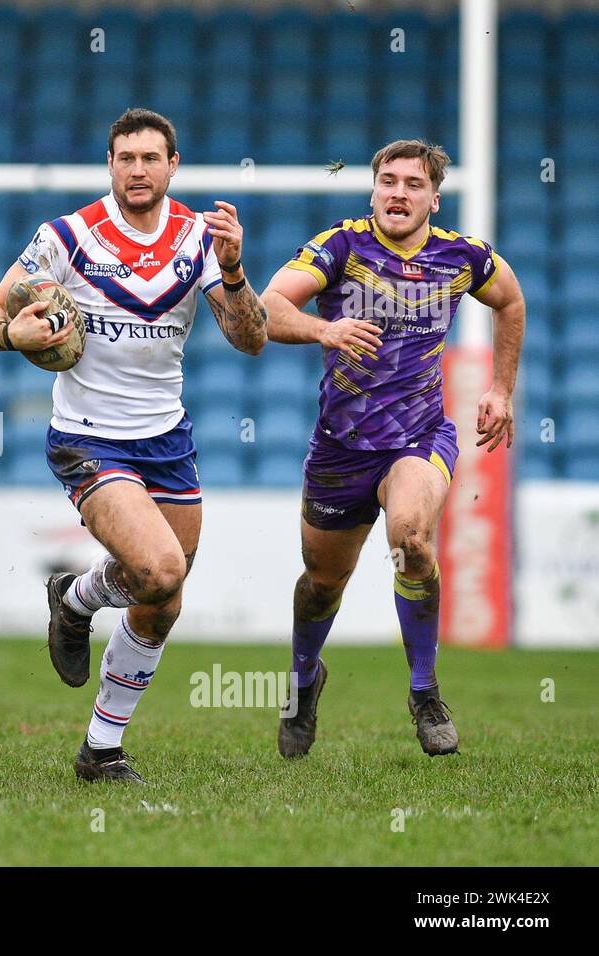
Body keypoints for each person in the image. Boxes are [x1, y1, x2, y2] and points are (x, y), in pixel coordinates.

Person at [0, 108, 267, 783]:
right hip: (88, 438)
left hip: (166, 437)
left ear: (173, 166)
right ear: (110, 163)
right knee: (161, 569)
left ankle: (98, 740)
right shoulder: (67, 238)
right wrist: (10, 335)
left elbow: (250, 339)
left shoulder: (199, 241)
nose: (137, 169)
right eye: (125, 158)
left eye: (150, 158)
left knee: (163, 598)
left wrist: (232, 271)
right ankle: (79, 608)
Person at [261, 139, 525, 758]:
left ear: (434, 197)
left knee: (411, 535)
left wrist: (502, 389)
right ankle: (303, 680)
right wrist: (327, 328)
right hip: (340, 447)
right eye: (388, 181)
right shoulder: (341, 247)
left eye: (412, 183)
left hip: (418, 437)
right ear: (373, 190)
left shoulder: (462, 258)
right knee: (324, 581)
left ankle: (425, 691)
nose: (398, 193)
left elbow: (510, 301)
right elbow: (269, 307)